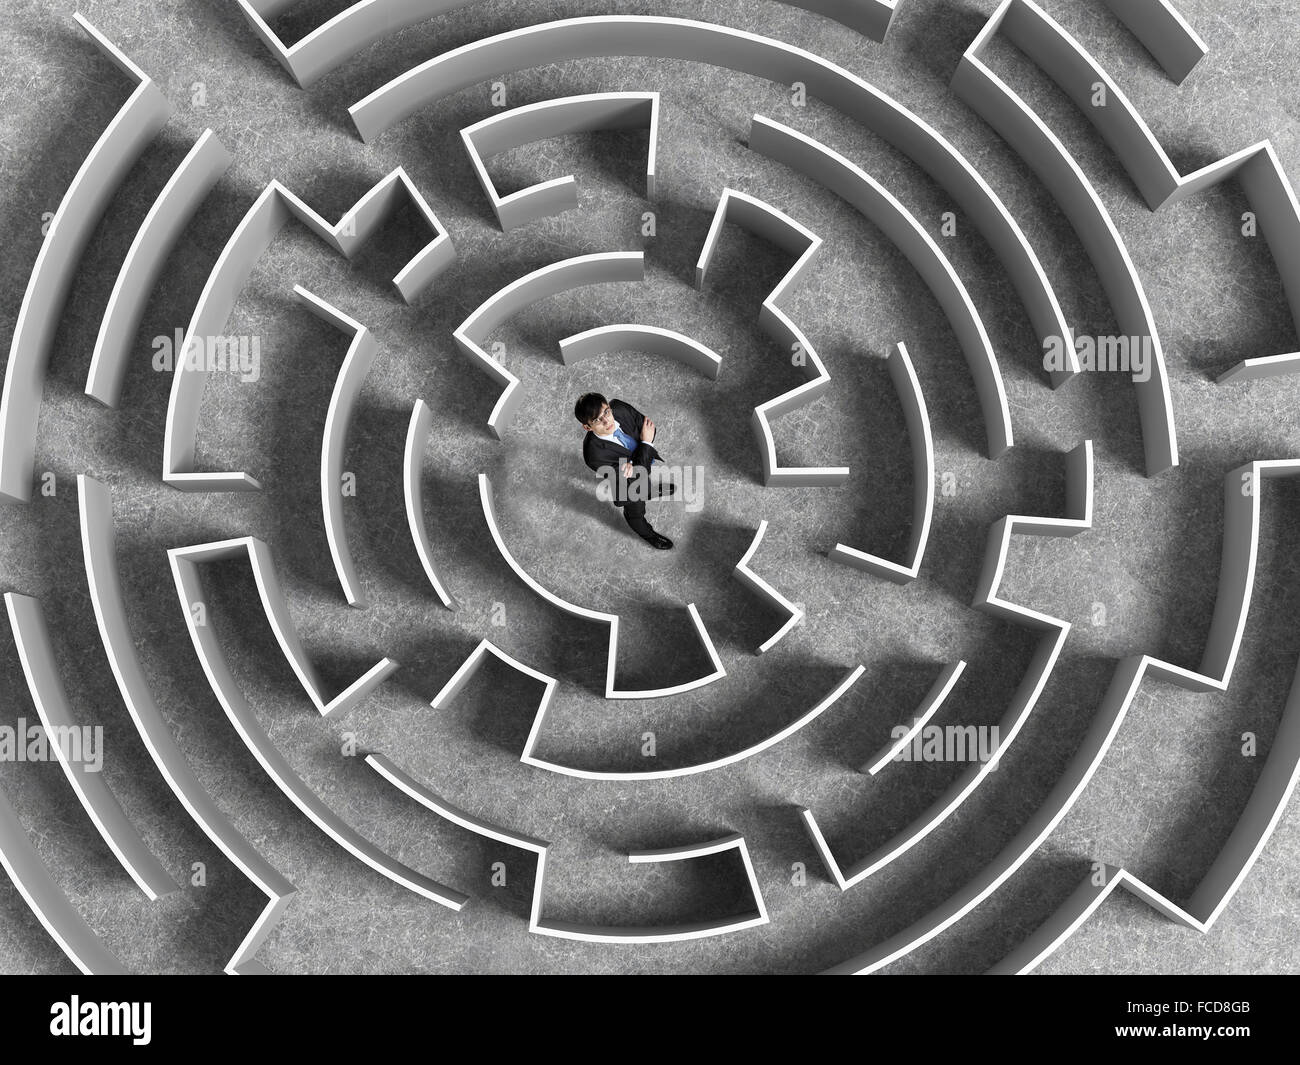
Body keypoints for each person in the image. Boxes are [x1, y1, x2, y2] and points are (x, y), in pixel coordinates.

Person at [575, 393, 676, 549]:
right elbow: (638, 469)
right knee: (635, 512)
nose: (606, 421)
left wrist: (634, 461)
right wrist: (645, 444)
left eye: (606, 412)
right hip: (627, 485)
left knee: (645, 481)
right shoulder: (594, 456)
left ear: (609, 406)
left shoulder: (620, 408)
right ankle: (648, 535)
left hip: (636, 467)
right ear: (587, 427)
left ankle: (649, 492)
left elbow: (649, 428)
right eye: (597, 420)